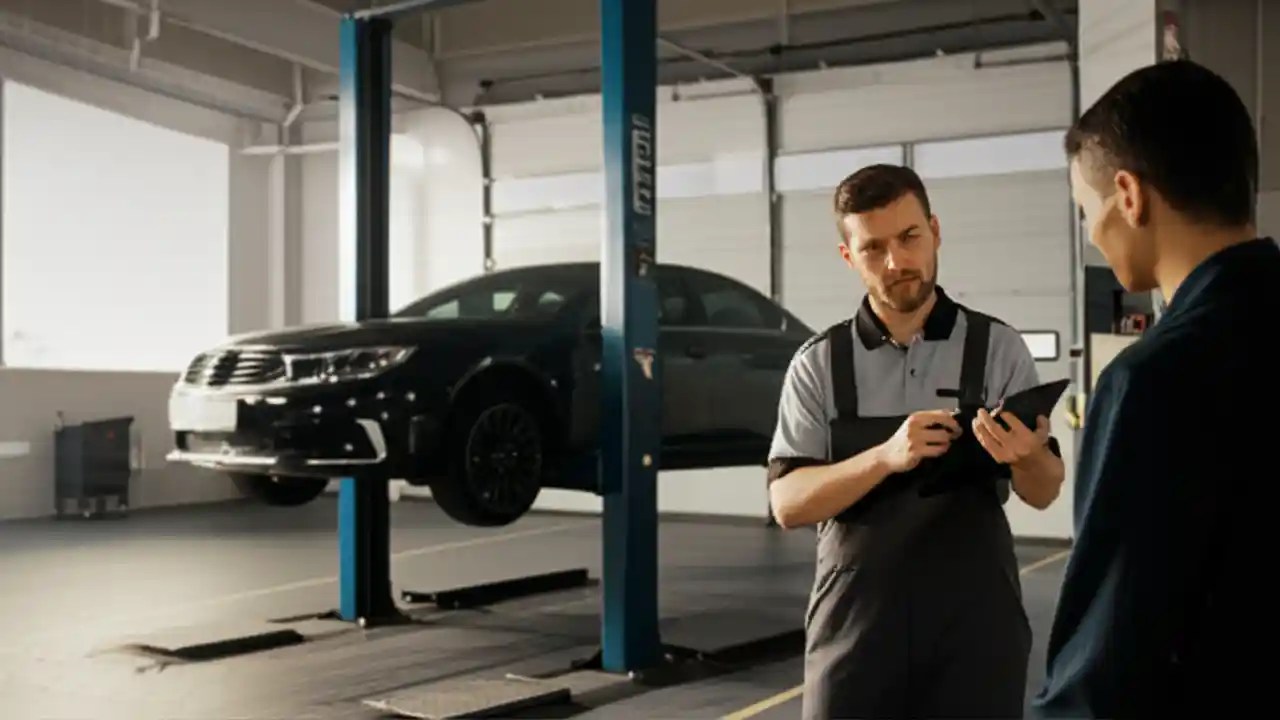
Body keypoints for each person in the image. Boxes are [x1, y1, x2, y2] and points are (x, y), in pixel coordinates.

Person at [768, 163, 1066, 719]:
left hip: (976, 625)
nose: (896, 262)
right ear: (847, 256)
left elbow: (1046, 490)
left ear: (935, 231)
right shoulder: (818, 365)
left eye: (909, 239)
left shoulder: (997, 349)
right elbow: (786, 504)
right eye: (873, 248)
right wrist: (884, 457)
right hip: (855, 624)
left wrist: (1025, 457)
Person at [1033, 59, 1277, 717]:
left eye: (1086, 210)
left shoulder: (1154, 381)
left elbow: (1108, 660)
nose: (1090, 232)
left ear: (1129, 195)